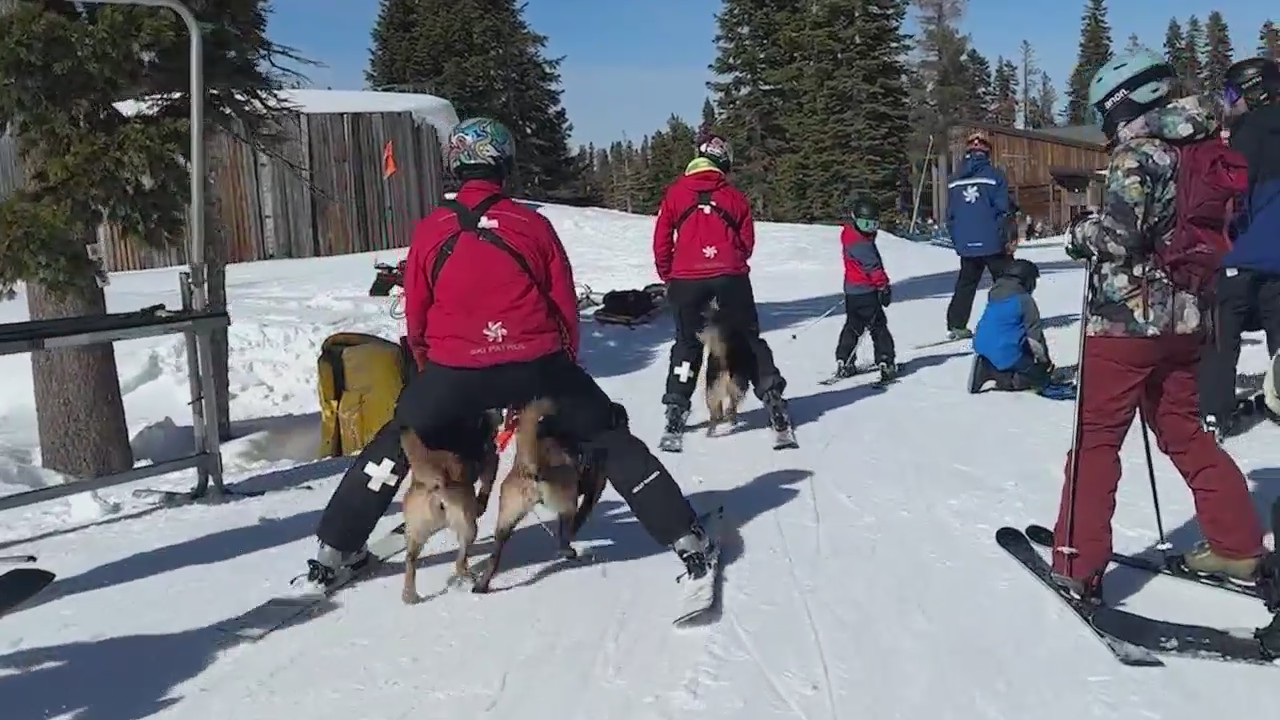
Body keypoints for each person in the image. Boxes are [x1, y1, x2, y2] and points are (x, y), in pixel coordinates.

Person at [302, 117, 717, 592]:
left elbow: (416, 313)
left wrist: (428, 370)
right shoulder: (531, 224)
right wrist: (564, 364)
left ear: (456, 165)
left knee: (398, 440)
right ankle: (687, 539)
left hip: (454, 370)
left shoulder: (431, 230)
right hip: (536, 363)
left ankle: (333, 552)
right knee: (608, 436)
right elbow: (562, 303)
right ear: (505, 164)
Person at [1049, 48, 1265, 601]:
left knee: (1096, 437)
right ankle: (1237, 544)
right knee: (1183, 430)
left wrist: (1081, 236)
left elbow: (1121, 238)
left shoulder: (1138, 154)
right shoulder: (1202, 143)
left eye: (1105, 110)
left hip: (1125, 321)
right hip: (1187, 316)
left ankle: (1077, 561)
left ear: (1123, 103)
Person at [652, 134, 792, 440]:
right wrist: (731, 262)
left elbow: (661, 239)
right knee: (746, 339)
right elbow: (746, 241)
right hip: (730, 279)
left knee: (688, 344)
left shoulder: (674, 193)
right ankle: (772, 396)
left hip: (686, 281)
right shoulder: (734, 195)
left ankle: (676, 405)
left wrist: (669, 275)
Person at [1197, 56, 1280, 440]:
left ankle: (1216, 412)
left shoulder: (1244, 136)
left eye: (1231, 93)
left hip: (1241, 253)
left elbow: (1229, 198)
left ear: (1253, 91)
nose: (1228, 102)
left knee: (1221, 337)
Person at [944, 130, 1013, 340]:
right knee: (1006, 280)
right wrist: (1005, 235)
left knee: (966, 282)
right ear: (987, 151)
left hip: (966, 242)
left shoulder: (955, 179)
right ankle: (1008, 319)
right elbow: (1003, 208)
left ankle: (956, 324)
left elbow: (951, 215)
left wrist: (957, 239)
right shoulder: (994, 176)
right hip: (992, 240)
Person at [832, 196, 896, 383]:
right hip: (867, 292)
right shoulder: (862, 244)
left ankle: (845, 359)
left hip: (852, 293)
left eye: (873, 224)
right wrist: (883, 287)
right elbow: (874, 269)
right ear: (856, 220)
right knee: (878, 327)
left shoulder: (850, 235)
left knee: (853, 326)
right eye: (866, 224)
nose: (871, 229)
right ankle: (885, 360)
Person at [969, 259, 1053, 393]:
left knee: (1010, 341)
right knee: (1038, 377)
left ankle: (987, 366)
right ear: (1027, 280)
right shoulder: (1024, 300)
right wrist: (1044, 363)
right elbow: (1034, 338)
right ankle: (1008, 379)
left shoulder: (994, 295)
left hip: (981, 344)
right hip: (1006, 350)